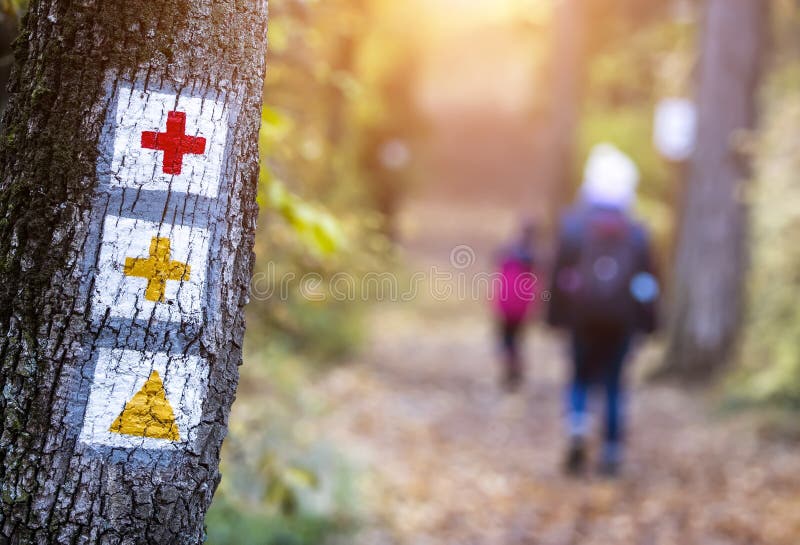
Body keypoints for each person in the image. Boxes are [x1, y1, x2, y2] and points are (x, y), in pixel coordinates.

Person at [547, 144, 659, 476]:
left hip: (582, 317)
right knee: (614, 383)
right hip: (622, 319)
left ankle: (577, 428)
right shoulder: (637, 232)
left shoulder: (574, 226)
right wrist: (649, 324)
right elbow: (648, 282)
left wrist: (554, 318)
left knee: (579, 377)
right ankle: (611, 450)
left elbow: (558, 276)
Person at [492, 221, 539, 391]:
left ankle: (510, 371)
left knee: (507, 340)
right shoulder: (533, 256)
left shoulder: (508, 251)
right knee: (516, 341)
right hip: (521, 307)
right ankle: (514, 371)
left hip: (506, 305)